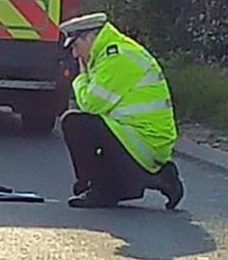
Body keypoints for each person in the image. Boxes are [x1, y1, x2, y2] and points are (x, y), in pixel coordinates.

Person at [58, 12, 185, 209]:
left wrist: (81, 77)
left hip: (142, 140)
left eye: (75, 46)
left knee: (75, 123)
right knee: (91, 125)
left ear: (90, 37)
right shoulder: (113, 52)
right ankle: (151, 179)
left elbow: (91, 105)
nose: (75, 54)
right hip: (144, 137)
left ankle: (99, 188)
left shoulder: (115, 57)